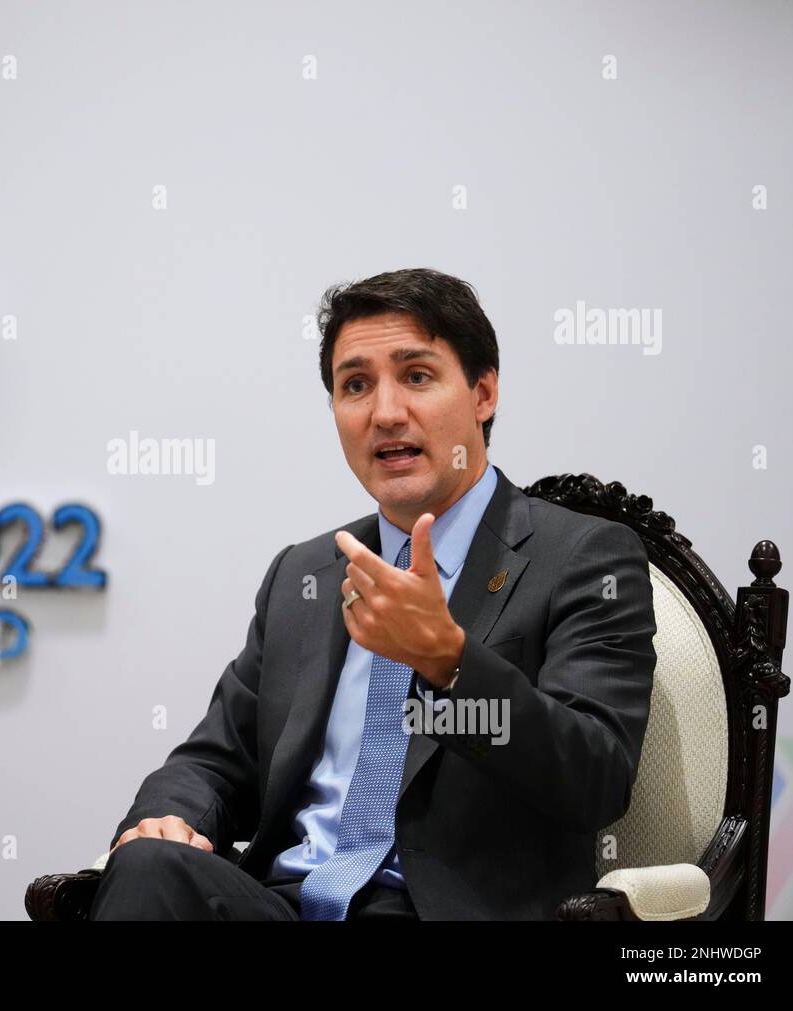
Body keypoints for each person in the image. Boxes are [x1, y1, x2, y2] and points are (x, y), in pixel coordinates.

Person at [89, 267, 657, 920]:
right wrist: (170, 815)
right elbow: (216, 758)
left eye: (416, 375)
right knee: (148, 868)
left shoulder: (582, 556)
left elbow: (595, 775)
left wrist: (450, 660)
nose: (385, 413)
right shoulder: (305, 576)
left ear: (483, 392)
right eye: (354, 385)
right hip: (288, 903)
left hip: (440, 909)